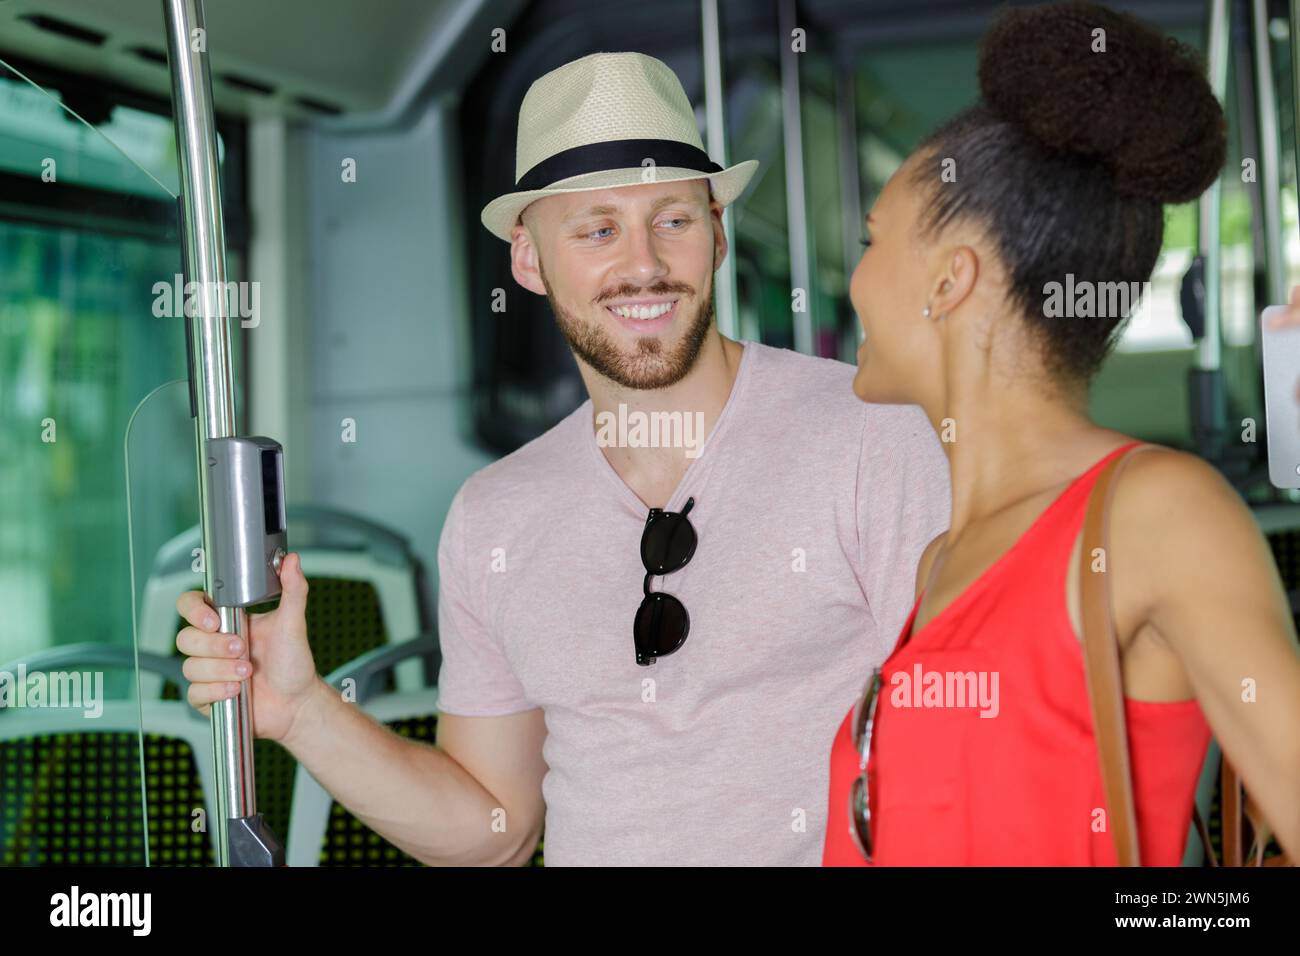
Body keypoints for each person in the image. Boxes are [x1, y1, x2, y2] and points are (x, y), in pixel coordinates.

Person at [175, 51, 950, 866]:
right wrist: (302, 712)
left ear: (719, 235)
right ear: (528, 260)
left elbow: (965, 750)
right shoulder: (494, 515)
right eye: (598, 230)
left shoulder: (872, 435)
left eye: (675, 219)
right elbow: (491, 832)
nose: (644, 264)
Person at [823, 0, 1300, 866]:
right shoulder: (940, 561)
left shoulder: (1154, 515)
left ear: (949, 280)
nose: (850, 278)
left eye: (870, 239)